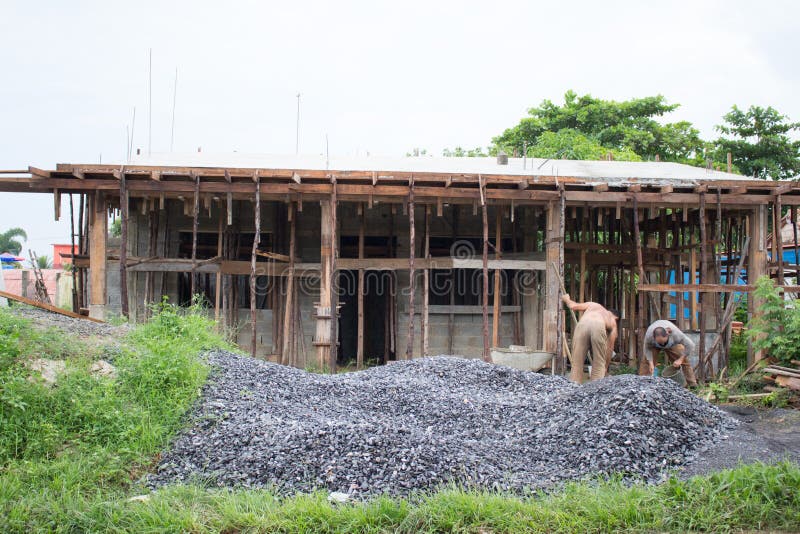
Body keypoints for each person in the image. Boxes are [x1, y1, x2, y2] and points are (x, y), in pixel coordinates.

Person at [561, 294, 619, 383]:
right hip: (598, 325)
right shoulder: (612, 321)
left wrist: (567, 299)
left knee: (576, 364)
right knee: (599, 365)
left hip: (582, 324)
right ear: (616, 317)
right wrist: (605, 367)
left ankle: (574, 388)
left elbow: (573, 306)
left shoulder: (594, 305)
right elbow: (610, 349)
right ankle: (594, 392)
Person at [642, 320, 697, 386]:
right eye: (660, 342)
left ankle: (692, 385)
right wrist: (650, 363)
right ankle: (643, 384)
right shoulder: (649, 336)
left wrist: (680, 359)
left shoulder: (676, 334)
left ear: (668, 335)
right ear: (654, 337)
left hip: (672, 344)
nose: (662, 344)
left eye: (663, 341)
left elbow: (690, 345)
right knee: (646, 363)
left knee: (684, 362)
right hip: (654, 346)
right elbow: (647, 349)